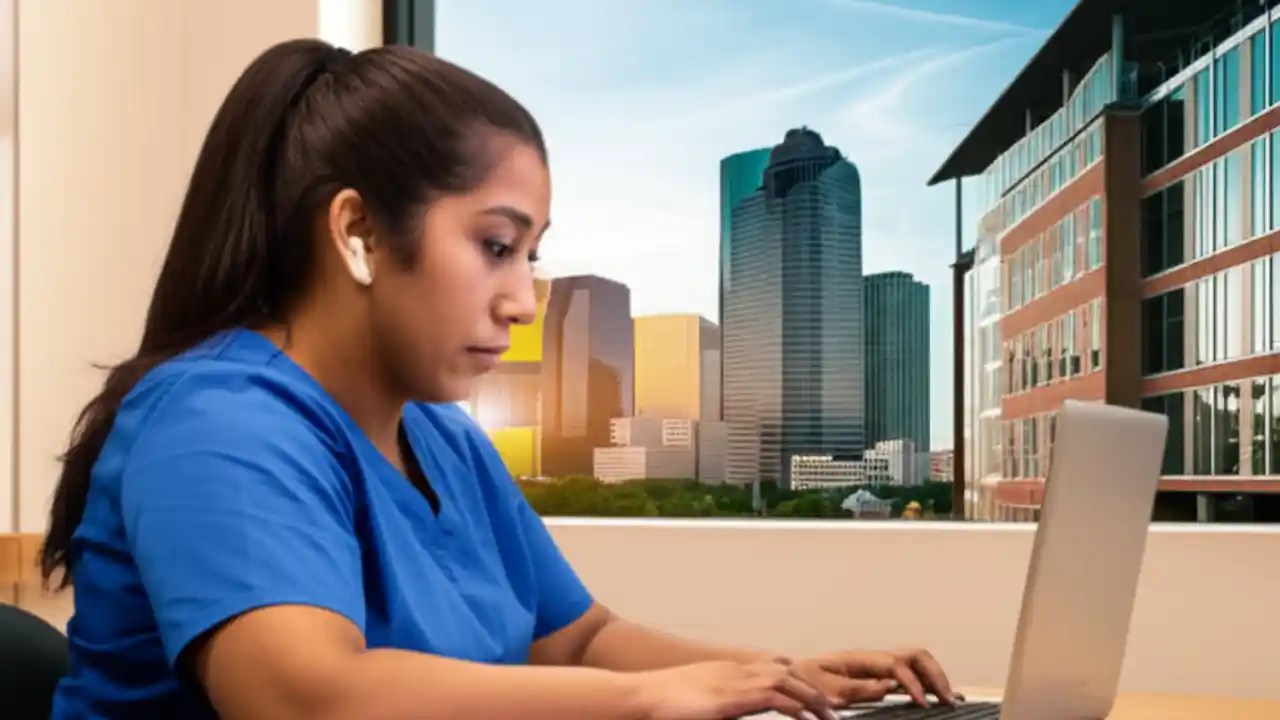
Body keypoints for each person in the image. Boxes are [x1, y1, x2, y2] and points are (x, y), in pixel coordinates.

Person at [40, 38, 957, 720]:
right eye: (494, 247)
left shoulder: (436, 434)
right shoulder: (217, 426)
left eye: (531, 255)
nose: (523, 301)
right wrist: (651, 701)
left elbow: (576, 639)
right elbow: (303, 699)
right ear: (357, 232)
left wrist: (778, 677)